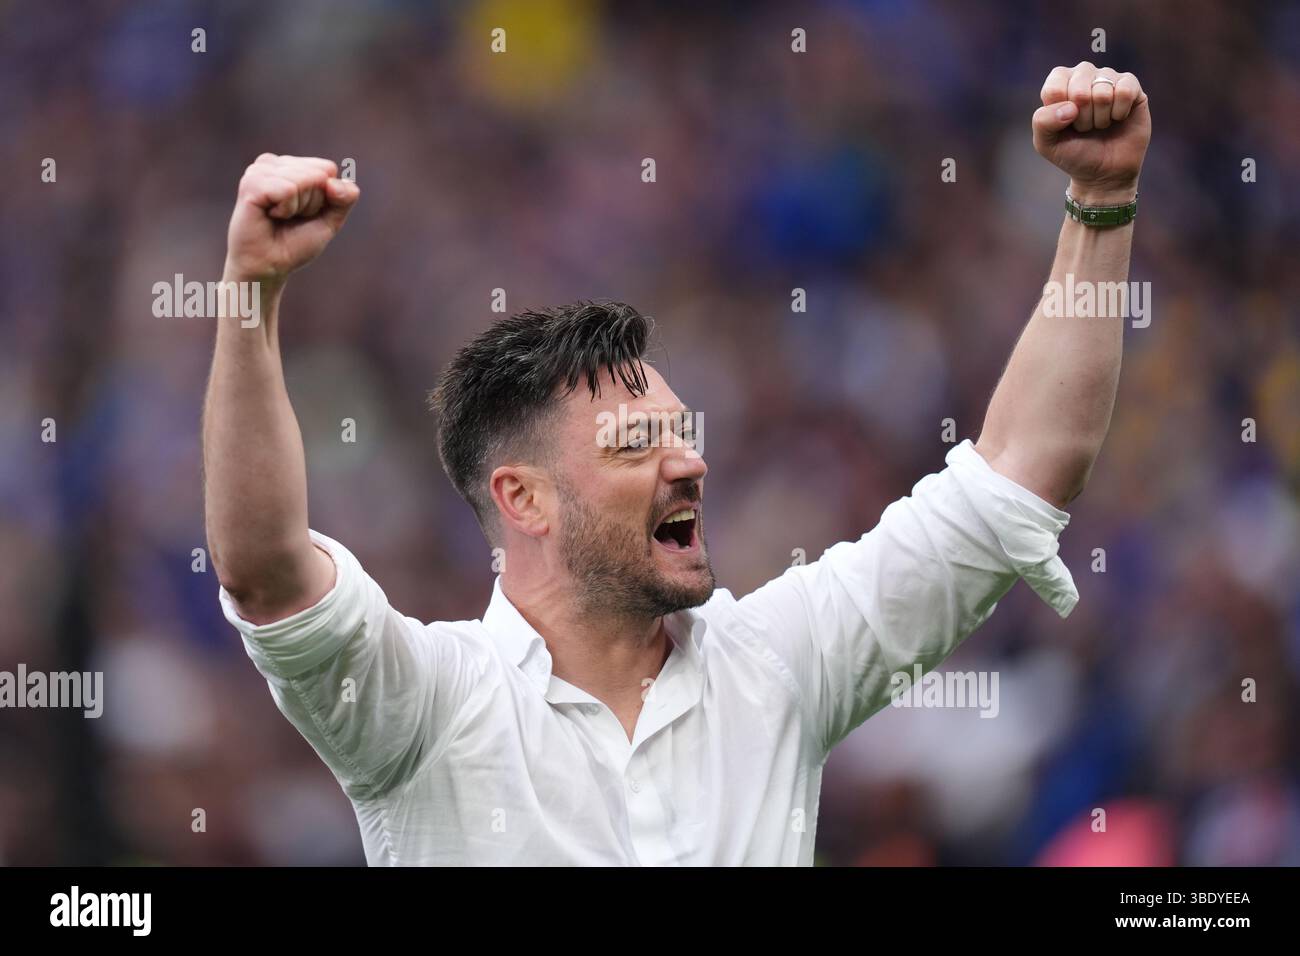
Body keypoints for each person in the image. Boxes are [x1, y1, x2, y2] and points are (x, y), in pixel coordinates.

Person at [202, 62, 1151, 865]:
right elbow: (268, 569)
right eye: (638, 441)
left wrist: (1099, 205)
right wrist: (251, 295)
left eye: (684, 431)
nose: (690, 462)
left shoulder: (780, 665)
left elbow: (1024, 468)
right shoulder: (428, 708)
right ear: (523, 498)